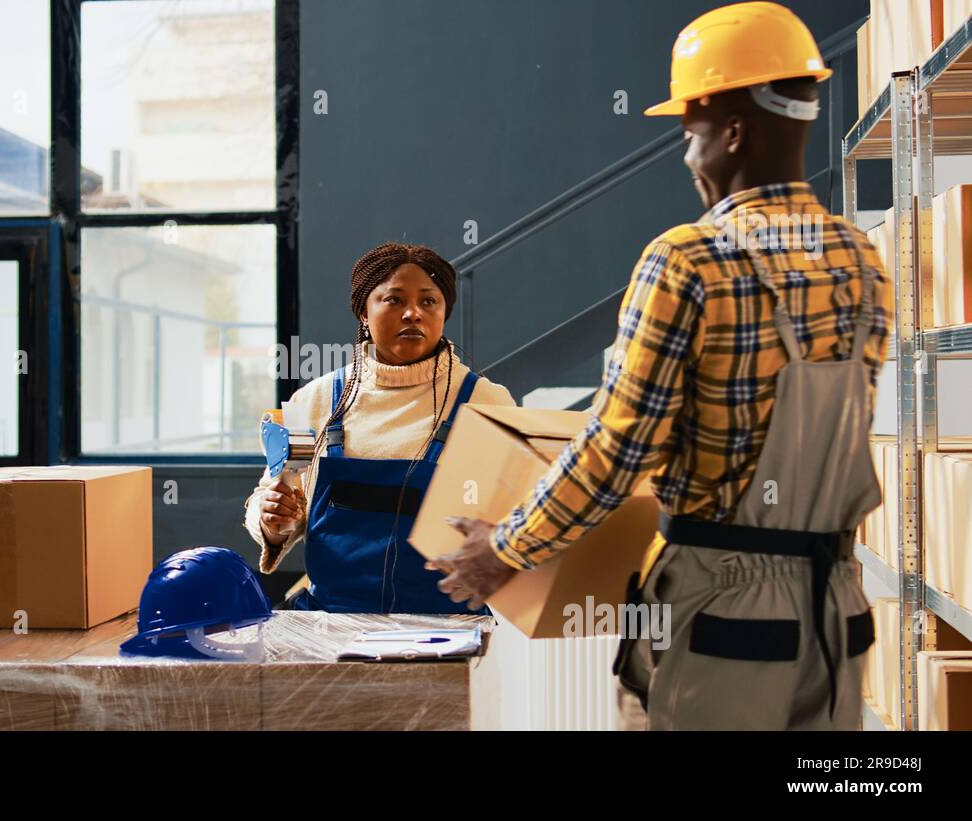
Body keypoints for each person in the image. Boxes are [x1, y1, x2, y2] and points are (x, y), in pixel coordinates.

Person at [431, 2, 892, 729]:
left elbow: (618, 448)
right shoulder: (864, 260)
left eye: (690, 133)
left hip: (720, 616)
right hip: (837, 607)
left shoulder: (688, 260)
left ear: (733, 130)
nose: (686, 156)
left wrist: (507, 547)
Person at [244, 242, 515, 613]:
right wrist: (273, 521)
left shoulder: (485, 403)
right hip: (332, 623)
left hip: (447, 627)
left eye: (429, 301)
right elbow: (276, 497)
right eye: (393, 300)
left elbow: (514, 512)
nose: (413, 314)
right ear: (363, 312)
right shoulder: (317, 401)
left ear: (444, 311)